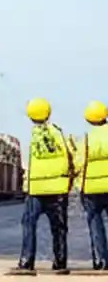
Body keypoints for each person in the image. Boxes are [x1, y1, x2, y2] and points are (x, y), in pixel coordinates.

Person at [17, 98, 73, 275]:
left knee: (29, 224)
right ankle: (60, 262)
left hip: (37, 189)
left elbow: (25, 165)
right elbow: (70, 156)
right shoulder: (58, 133)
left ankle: (26, 261)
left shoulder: (30, 137)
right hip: (58, 188)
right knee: (59, 228)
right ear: (48, 113)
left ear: (30, 116)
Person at [79, 101, 108, 270]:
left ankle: (101, 261)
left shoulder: (87, 138)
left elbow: (79, 162)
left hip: (92, 187)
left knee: (95, 224)